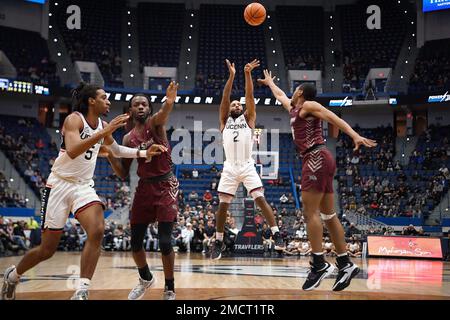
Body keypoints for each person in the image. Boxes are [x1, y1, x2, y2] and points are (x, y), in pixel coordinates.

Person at [1, 82, 164, 301]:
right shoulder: (74, 119)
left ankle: (82, 290)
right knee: (47, 250)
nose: (108, 101)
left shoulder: (102, 124)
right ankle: (13, 276)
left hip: (83, 186)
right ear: (91, 101)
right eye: (104, 98)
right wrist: (105, 131)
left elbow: (115, 150)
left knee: (97, 230)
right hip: (59, 184)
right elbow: (73, 150)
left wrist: (143, 153)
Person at [259, 70, 376, 291]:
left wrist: (354, 135)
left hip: (314, 158)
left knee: (309, 213)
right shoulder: (295, 109)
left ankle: (319, 264)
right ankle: (345, 263)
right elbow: (281, 96)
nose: (290, 93)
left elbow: (332, 116)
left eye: (294, 90)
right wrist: (270, 84)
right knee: (328, 215)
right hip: (320, 159)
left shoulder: (308, 106)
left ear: (301, 92)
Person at [105, 82, 179, 300]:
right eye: (136, 104)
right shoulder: (128, 139)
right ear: (130, 111)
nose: (140, 107)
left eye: (144, 104)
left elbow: (163, 113)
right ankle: (145, 277)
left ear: (148, 108)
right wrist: (110, 155)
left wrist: (169, 102)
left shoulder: (155, 124)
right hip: (144, 187)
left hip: (166, 185)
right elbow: (122, 173)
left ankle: (170, 288)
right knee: (135, 242)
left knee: (165, 242)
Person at [211, 59, 285, 260]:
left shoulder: (249, 118)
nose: (235, 104)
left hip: (247, 165)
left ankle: (276, 234)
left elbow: (249, 95)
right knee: (223, 205)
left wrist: (246, 74)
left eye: (238, 103)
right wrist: (232, 76)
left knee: (260, 199)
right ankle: (218, 240)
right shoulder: (224, 121)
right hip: (229, 167)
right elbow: (225, 96)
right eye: (233, 104)